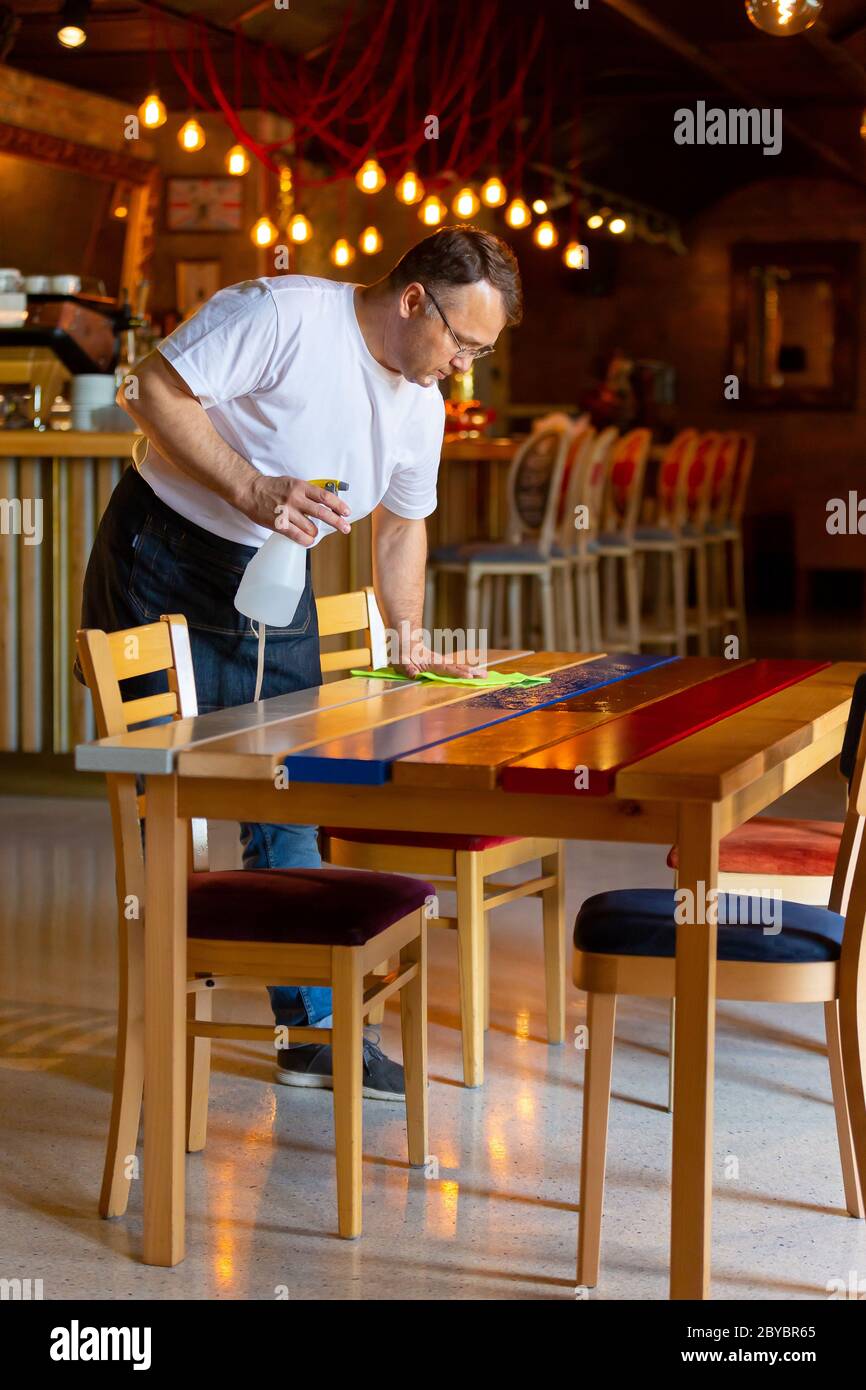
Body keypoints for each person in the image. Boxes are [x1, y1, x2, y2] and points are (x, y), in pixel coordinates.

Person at [78, 224, 522, 1099]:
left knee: (289, 783)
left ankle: (308, 1033)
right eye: (461, 341)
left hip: (277, 571)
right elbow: (149, 389)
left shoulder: (421, 404)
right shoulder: (283, 315)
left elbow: (402, 526)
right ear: (412, 300)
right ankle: (168, 1016)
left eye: (479, 349)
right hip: (163, 549)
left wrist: (410, 636)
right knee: (162, 796)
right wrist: (251, 487)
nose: (462, 366)